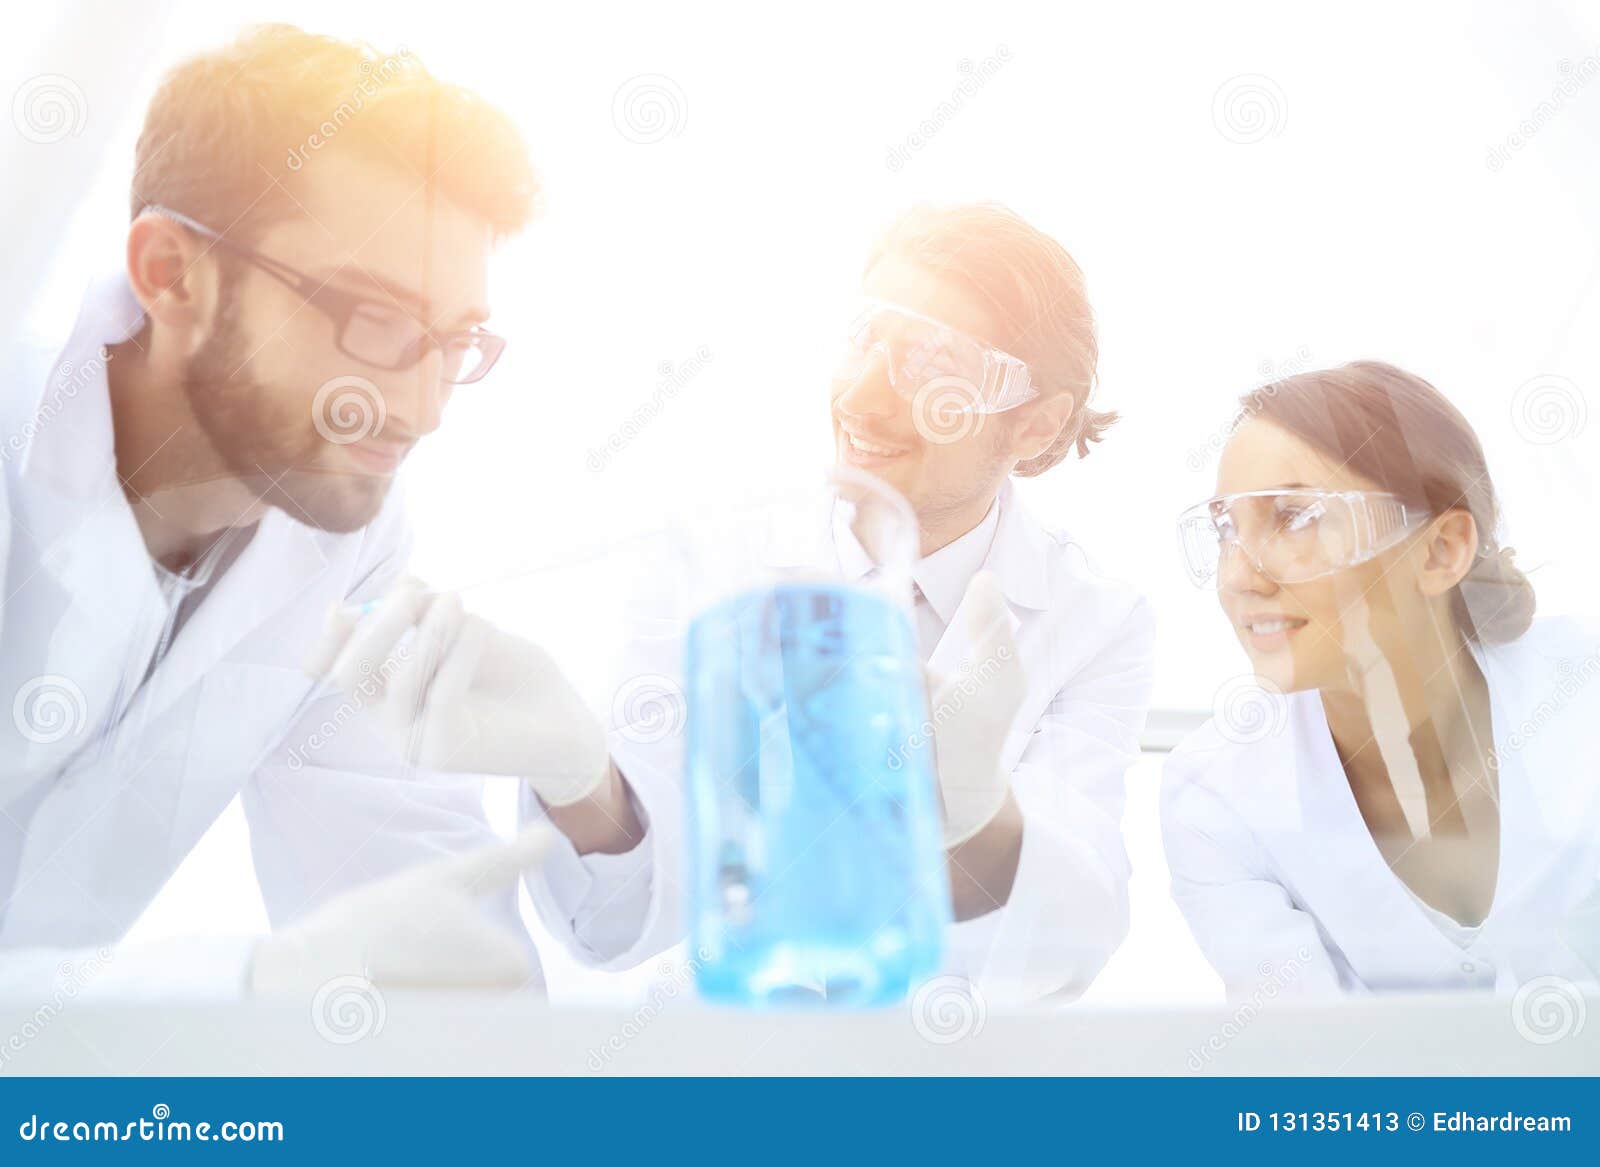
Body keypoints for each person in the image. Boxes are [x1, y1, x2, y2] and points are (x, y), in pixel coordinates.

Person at [373, 203, 1156, 1000]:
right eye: (865, 339)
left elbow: (1073, 932)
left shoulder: (1094, 619)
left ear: (1034, 425)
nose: (863, 394)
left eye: (934, 363)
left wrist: (976, 817)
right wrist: (580, 782)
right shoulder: (712, 557)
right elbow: (621, 917)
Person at [0, 26, 644, 992]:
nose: (423, 412)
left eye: (454, 342)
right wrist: (245, 991)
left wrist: (581, 776)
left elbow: (428, 953)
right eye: (374, 320)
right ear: (171, 272)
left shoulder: (348, 545)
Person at [1162, 360, 1600, 997]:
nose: (1239, 577)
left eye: (1293, 518)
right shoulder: (1214, 794)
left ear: (1439, 550)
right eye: (1227, 530)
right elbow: (1309, 1070)